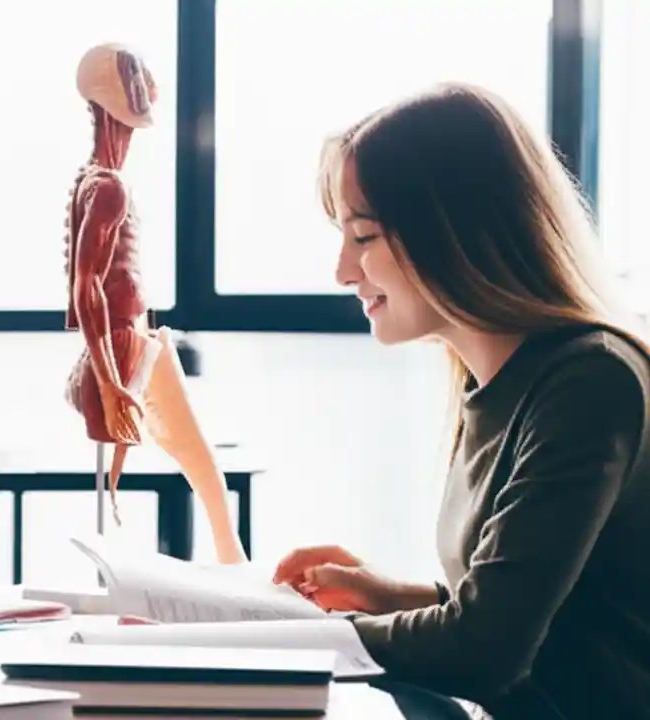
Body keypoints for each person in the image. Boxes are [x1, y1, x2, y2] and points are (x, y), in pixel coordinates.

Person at [272, 83, 650, 719]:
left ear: (454, 232)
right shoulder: (495, 381)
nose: (342, 270)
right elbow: (533, 608)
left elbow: (485, 651)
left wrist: (271, 642)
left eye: (363, 237)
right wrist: (382, 594)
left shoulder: (590, 381)